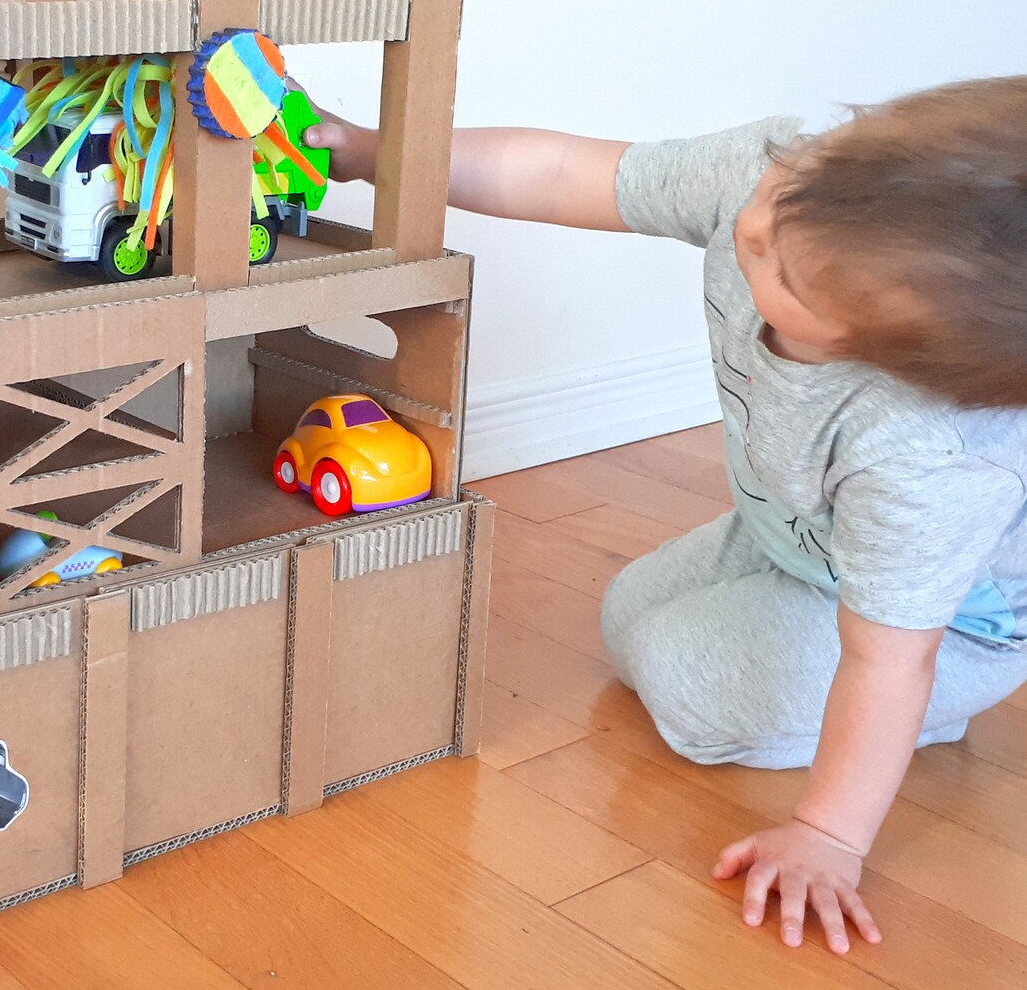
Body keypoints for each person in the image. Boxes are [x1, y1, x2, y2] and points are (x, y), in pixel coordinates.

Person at [305, 78, 1027, 955]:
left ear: (878, 348)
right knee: (627, 616)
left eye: (791, 270)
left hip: (945, 627)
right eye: (791, 192)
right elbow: (564, 169)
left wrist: (831, 837)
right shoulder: (780, 177)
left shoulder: (932, 455)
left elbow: (888, 655)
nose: (756, 228)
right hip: (791, 545)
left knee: (685, 683)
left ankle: (941, 712)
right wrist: (368, 151)